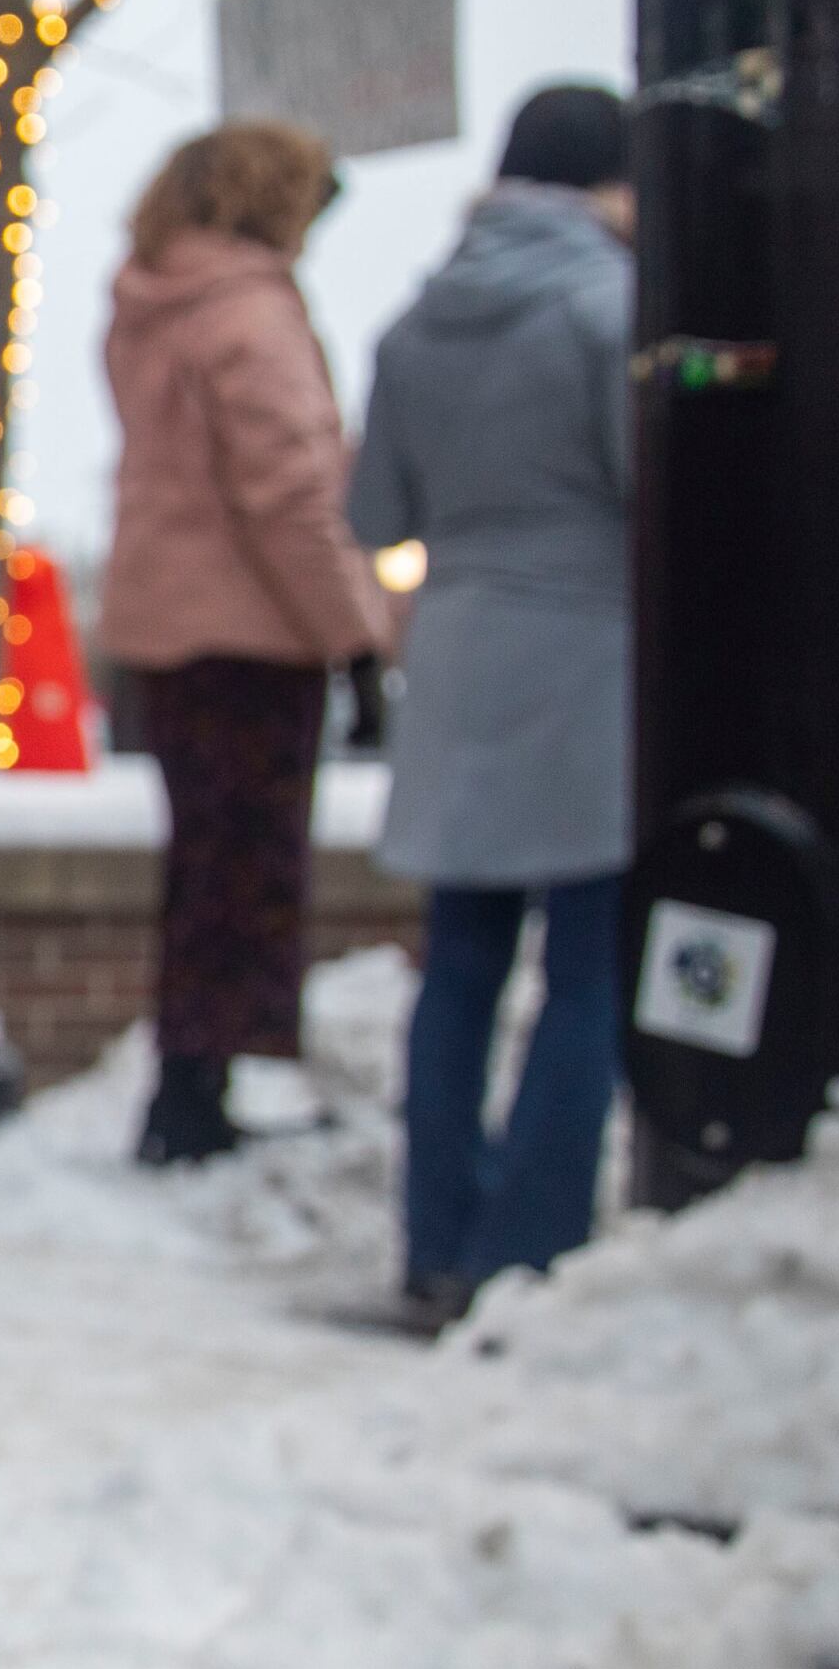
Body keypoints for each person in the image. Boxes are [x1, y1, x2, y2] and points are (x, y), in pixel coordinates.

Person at [347, 84, 636, 1323]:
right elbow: (646, 480)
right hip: (584, 646)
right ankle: (530, 1244)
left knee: (458, 961)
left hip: (457, 655)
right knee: (586, 961)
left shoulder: (414, 322)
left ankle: (435, 1235)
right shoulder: (604, 307)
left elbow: (375, 519)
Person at [98, 120, 390, 1166]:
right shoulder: (250, 317)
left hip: (163, 626)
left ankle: (190, 1083)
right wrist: (354, 635)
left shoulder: (147, 302)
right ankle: (200, 1094)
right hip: (252, 630)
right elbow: (291, 499)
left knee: (201, 860)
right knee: (251, 861)